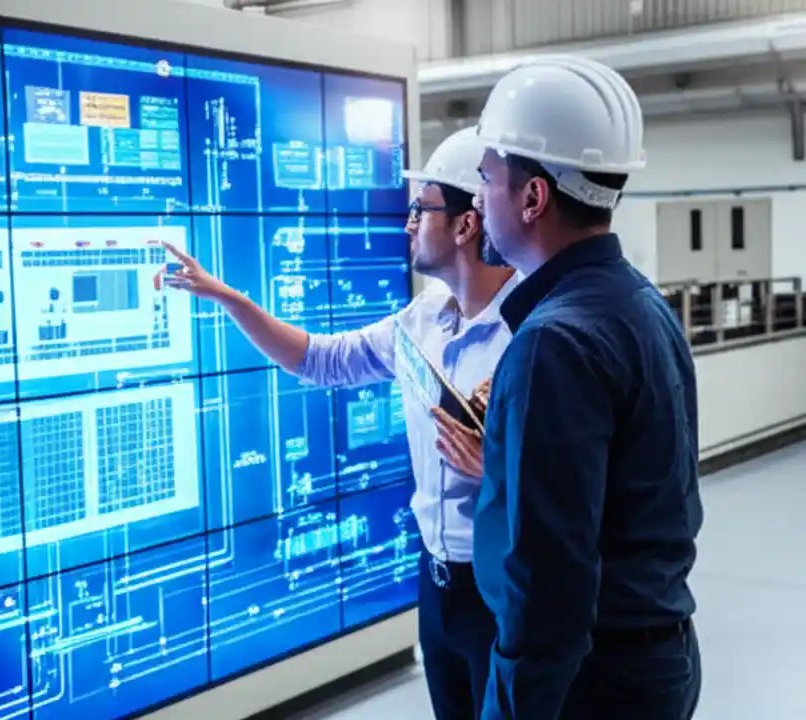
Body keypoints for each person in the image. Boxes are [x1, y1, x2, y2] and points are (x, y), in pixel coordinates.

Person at [163, 127, 519, 720]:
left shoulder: (532, 331)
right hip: (437, 584)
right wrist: (228, 297)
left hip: (500, 592)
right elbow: (322, 359)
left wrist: (498, 474)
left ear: (466, 224)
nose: (407, 224)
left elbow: (580, 485)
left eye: (420, 209)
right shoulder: (423, 319)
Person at [463, 54, 704, 720]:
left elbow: (548, 581)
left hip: (588, 683)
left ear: (533, 197)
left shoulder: (553, 344)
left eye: (486, 179)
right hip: (657, 659)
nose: (478, 199)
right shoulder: (639, 303)